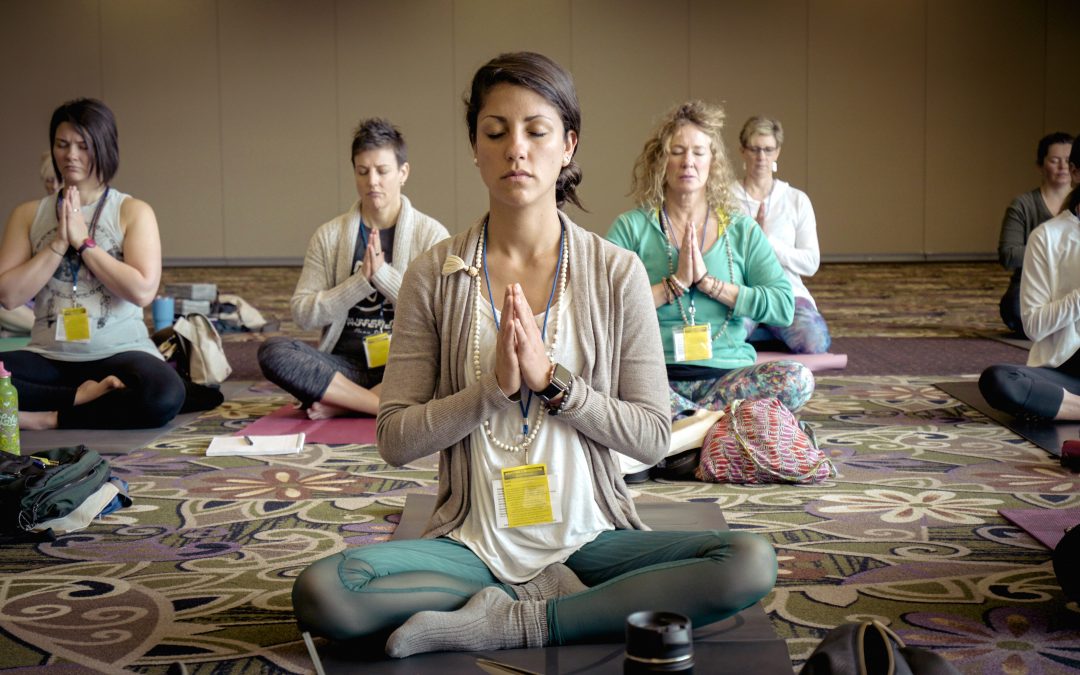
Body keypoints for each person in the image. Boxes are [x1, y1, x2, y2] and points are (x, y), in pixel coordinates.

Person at [291, 52, 777, 658]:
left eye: (536, 131)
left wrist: (556, 384)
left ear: (568, 145)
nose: (515, 149)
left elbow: (652, 437)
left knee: (748, 561)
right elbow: (394, 439)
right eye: (495, 132)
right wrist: (489, 393)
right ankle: (560, 605)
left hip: (590, 539)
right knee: (326, 592)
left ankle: (523, 621)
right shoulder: (430, 276)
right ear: (475, 146)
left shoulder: (615, 272)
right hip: (472, 544)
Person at [606, 100, 815, 477]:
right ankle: (724, 432)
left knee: (797, 379)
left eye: (698, 152)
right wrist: (674, 285)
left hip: (726, 376)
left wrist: (713, 286)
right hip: (656, 378)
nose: (688, 162)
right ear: (661, 161)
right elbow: (604, 310)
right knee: (602, 383)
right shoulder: (631, 227)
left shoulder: (740, 228)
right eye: (678, 151)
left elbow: (783, 305)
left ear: (712, 162)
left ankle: (680, 437)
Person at [0, 98, 184, 429]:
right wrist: (57, 243)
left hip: (122, 352)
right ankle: (77, 400)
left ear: (104, 148)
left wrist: (84, 243)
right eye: (62, 144)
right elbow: (9, 295)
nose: (71, 155)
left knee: (164, 393)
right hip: (48, 355)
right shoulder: (27, 214)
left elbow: (142, 291)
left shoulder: (133, 211)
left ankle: (48, 417)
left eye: (83, 146)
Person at [257, 119, 448, 419]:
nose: (372, 181)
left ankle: (343, 404)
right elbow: (303, 313)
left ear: (403, 173)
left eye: (382, 171)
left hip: (403, 365)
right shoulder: (329, 236)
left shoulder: (431, 235)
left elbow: (440, 314)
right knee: (273, 352)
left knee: (448, 365)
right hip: (344, 368)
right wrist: (359, 283)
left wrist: (383, 277)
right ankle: (373, 404)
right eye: (363, 171)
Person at [979, 181, 1080, 421]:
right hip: (1066, 369)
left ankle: (1062, 408)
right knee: (1000, 381)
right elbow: (1034, 327)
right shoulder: (1048, 236)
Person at [731, 116, 830, 354]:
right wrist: (749, 242)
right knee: (718, 343)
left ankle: (766, 331)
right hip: (742, 292)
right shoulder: (726, 198)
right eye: (754, 149)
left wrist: (768, 244)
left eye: (768, 149)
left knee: (815, 342)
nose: (761, 157)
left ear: (777, 153)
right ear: (743, 151)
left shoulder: (796, 199)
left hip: (786, 293)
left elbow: (810, 263)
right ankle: (764, 332)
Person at [997, 132, 1074, 336]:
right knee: (1015, 307)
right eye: (1055, 161)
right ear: (1041, 165)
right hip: (1032, 284)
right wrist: (1053, 252)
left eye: (1068, 161)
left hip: (1074, 282)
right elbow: (1009, 254)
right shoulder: (1023, 205)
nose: (1063, 167)